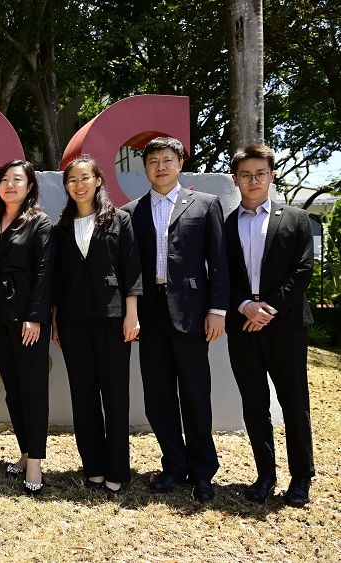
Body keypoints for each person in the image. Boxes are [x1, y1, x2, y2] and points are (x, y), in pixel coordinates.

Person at [121, 136, 229, 502]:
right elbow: (128, 268)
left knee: (196, 395)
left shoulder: (205, 205)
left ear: (179, 163)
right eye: (153, 161)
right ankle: (174, 464)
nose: (161, 166)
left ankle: (202, 471)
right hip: (150, 317)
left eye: (167, 159)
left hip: (193, 315)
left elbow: (219, 261)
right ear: (145, 167)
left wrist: (217, 310)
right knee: (158, 397)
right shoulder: (130, 211)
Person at [225, 144, 314, 506]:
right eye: (245, 174)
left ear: (271, 175)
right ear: (236, 179)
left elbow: (303, 269)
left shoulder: (294, 218)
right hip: (243, 327)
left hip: (286, 326)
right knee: (254, 404)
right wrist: (246, 306)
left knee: (294, 403)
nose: (253, 180)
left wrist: (270, 308)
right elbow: (222, 275)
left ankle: (301, 477)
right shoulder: (227, 224)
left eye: (260, 173)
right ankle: (265, 475)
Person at [51, 156, 141, 495]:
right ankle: (94, 467)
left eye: (84, 177)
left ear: (98, 180)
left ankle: (118, 467)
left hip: (113, 319)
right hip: (73, 321)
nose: (78, 184)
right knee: (83, 396)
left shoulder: (119, 220)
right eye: (72, 179)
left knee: (115, 396)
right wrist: (57, 321)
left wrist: (132, 314)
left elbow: (131, 270)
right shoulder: (61, 227)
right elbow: (58, 280)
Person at [0, 160, 54, 495]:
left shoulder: (39, 222)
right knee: (13, 388)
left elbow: (44, 274)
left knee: (33, 390)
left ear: (29, 186)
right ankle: (25, 452)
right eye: (5, 180)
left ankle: (37, 462)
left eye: (17, 180)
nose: (10, 185)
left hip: (28, 320)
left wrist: (37, 317)